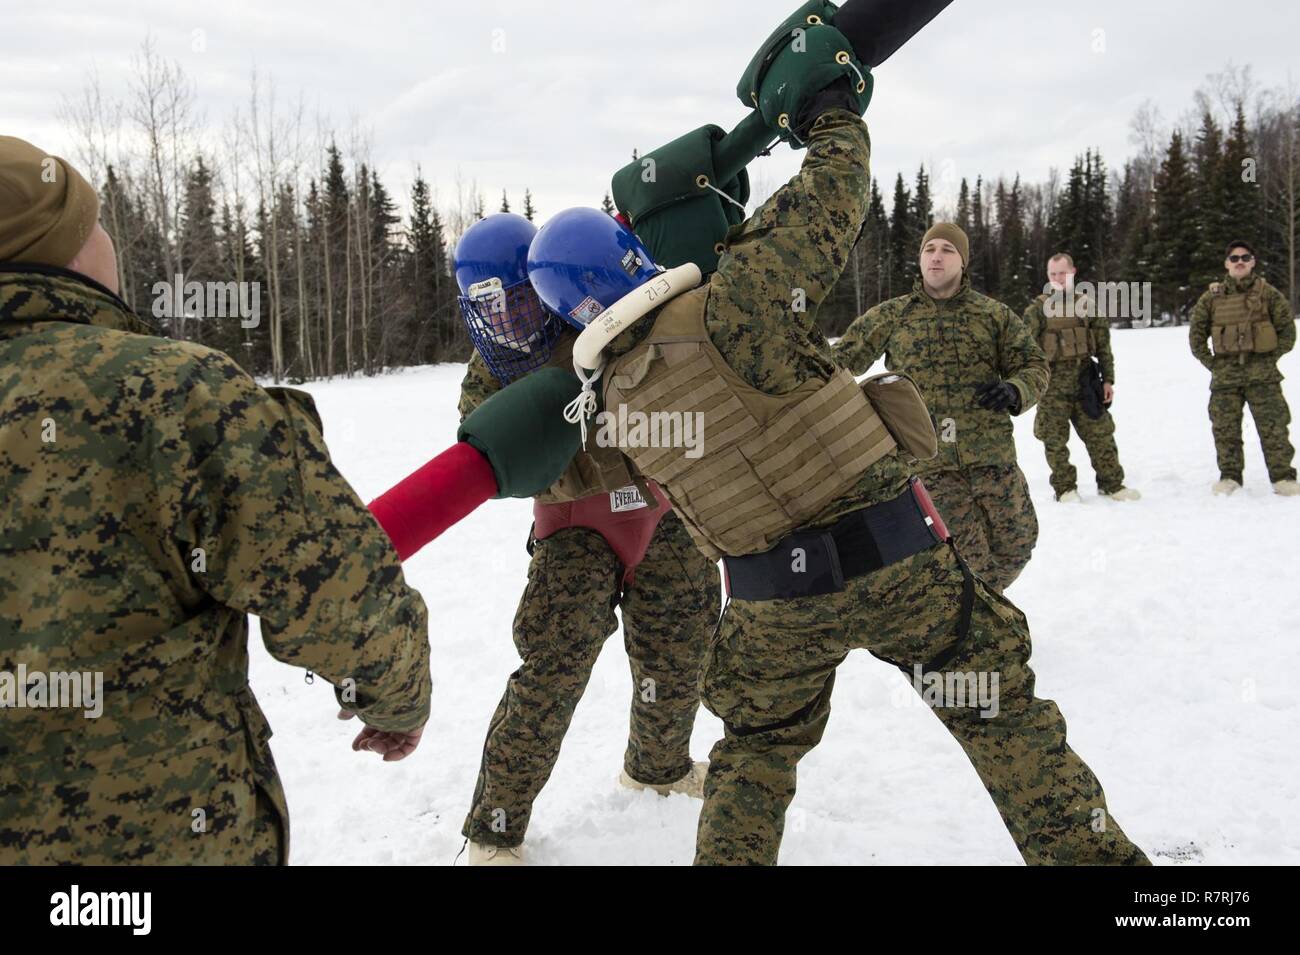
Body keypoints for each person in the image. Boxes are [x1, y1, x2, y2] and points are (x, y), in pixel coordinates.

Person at [524, 91, 1149, 865]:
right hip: (898, 560)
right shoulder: (733, 304)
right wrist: (829, 116)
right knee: (999, 715)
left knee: (752, 756)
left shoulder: (614, 401)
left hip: (770, 605)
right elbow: (832, 197)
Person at [0, 135, 431, 864]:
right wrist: (396, 702)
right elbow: (340, 595)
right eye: (93, 221)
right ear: (61, 251)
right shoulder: (177, 396)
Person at [452, 213, 720, 865]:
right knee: (552, 669)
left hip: (659, 503)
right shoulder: (490, 370)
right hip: (575, 527)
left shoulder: (602, 313)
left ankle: (657, 766)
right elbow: (483, 441)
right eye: (488, 306)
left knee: (680, 644)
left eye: (515, 298)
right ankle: (494, 827)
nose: (506, 318)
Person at [835, 222, 1048, 592]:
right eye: (929, 248)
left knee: (1019, 544)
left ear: (962, 262)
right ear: (919, 260)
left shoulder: (993, 315)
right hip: (930, 465)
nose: (936, 256)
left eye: (948, 250)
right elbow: (839, 363)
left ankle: (982, 607)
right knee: (967, 559)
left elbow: (1034, 365)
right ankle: (980, 625)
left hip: (992, 458)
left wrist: (1015, 390)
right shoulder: (892, 315)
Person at [1023, 253, 1140, 502]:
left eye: (1062, 273)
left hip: (1085, 381)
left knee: (1101, 435)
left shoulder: (1088, 306)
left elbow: (1103, 346)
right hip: (1052, 385)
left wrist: (1108, 380)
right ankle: (1065, 488)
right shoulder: (1036, 310)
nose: (1057, 279)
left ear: (1073, 272)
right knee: (1054, 440)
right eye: (1052, 274)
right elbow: (1025, 351)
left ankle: (1112, 484)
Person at [1189, 239, 1298, 496]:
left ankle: (1283, 477)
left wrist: (1269, 359)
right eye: (1234, 258)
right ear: (1227, 264)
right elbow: (1196, 337)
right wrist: (1213, 364)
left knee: (1274, 427)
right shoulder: (1212, 299)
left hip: (1263, 376)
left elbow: (1287, 332)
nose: (1240, 262)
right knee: (1225, 429)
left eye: (1245, 258)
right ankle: (1230, 477)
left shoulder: (1268, 294)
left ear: (1253, 262)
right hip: (1226, 378)